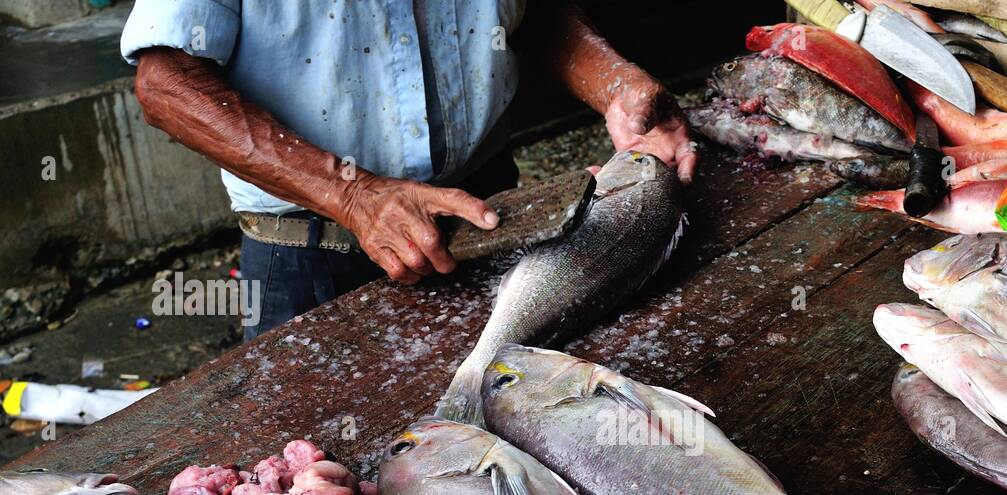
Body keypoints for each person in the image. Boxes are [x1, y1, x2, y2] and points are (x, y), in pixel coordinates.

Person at [121, 1, 696, 339]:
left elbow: (536, 15)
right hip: (311, 255)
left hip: (495, 216)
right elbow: (164, 81)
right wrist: (355, 196)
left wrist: (616, 87)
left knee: (509, 459)